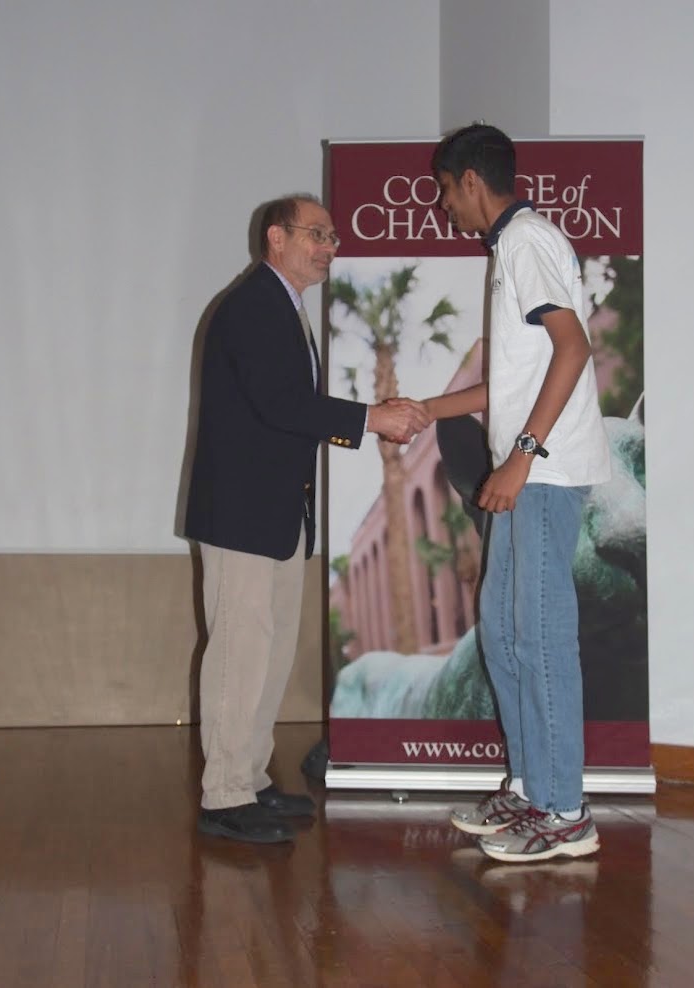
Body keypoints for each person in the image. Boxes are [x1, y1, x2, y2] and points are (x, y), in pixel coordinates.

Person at [185, 193, 428, 843]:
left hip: (274, 515)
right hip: (242, 517)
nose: (329, 247)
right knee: (241, 651)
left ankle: (250, 779)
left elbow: (283, 408)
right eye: (316, 234)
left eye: (332, 236)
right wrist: (370, 419)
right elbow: (279, 404)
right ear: (276, 238)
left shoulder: (282, 308)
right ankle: (224, 796)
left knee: (267, 651)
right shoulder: (252, 306)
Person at [422, 124, 611, 862]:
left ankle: (566, 812)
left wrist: (522, 456)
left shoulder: (525, 241)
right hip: (526, 471)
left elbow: (572, 347)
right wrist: (422, 411)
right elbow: (511, 376)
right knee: (502, 634)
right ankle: (533, 787)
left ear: (472, 180)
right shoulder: (510, 247)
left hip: (545, 471)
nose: (443, 207)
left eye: (444, 190)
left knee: (538, 638)